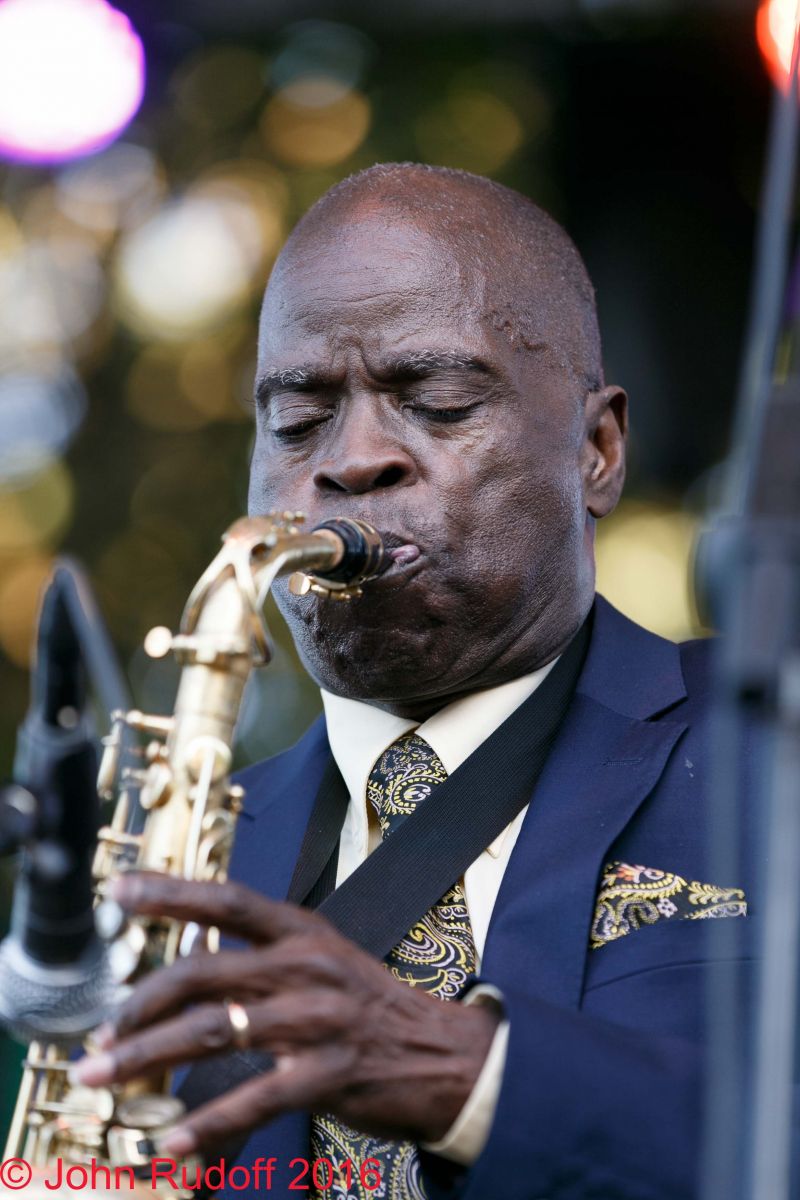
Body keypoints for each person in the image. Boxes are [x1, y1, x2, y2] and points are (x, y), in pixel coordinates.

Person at [72, 164, 754, 1200]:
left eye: (433, 402)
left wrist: (477, 1083)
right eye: (297, 421)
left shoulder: (769, 755)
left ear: (598, 449)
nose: (349, 463)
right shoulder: (178, 869)